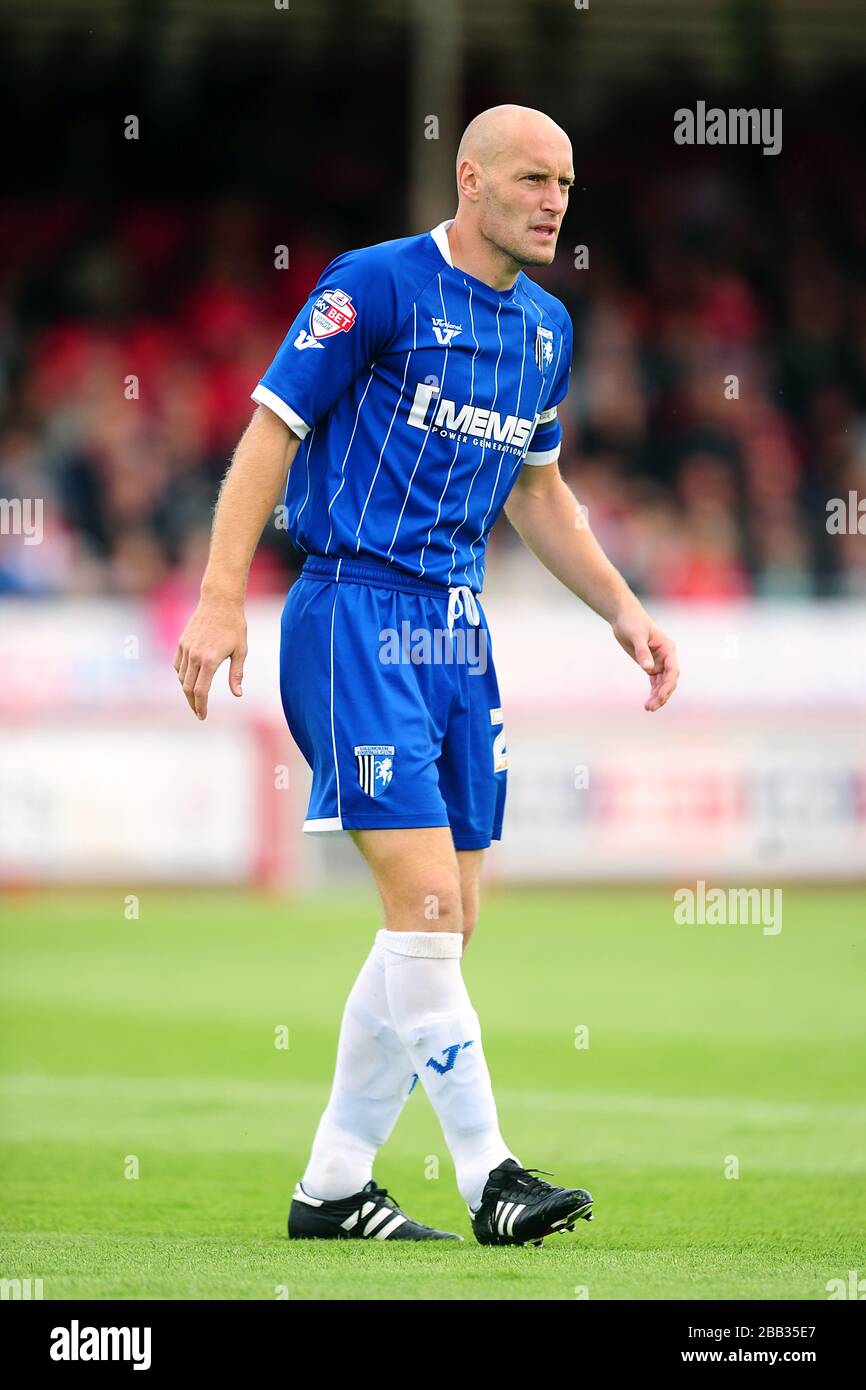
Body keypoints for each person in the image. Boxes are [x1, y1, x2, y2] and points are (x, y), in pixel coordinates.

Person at [174, 104, 679, 1247]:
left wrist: (621, 608)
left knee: (442, 933)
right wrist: (219, 590)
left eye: (565, 183)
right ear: (470, 178)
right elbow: (270, 428)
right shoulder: (375, 286)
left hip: (456, 634)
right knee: (424, 907)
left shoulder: (544, 330)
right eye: (533, 179)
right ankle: (487, 1172)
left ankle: (332, 1183)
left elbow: (537, 490)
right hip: (352, 610)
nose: (554, 201)